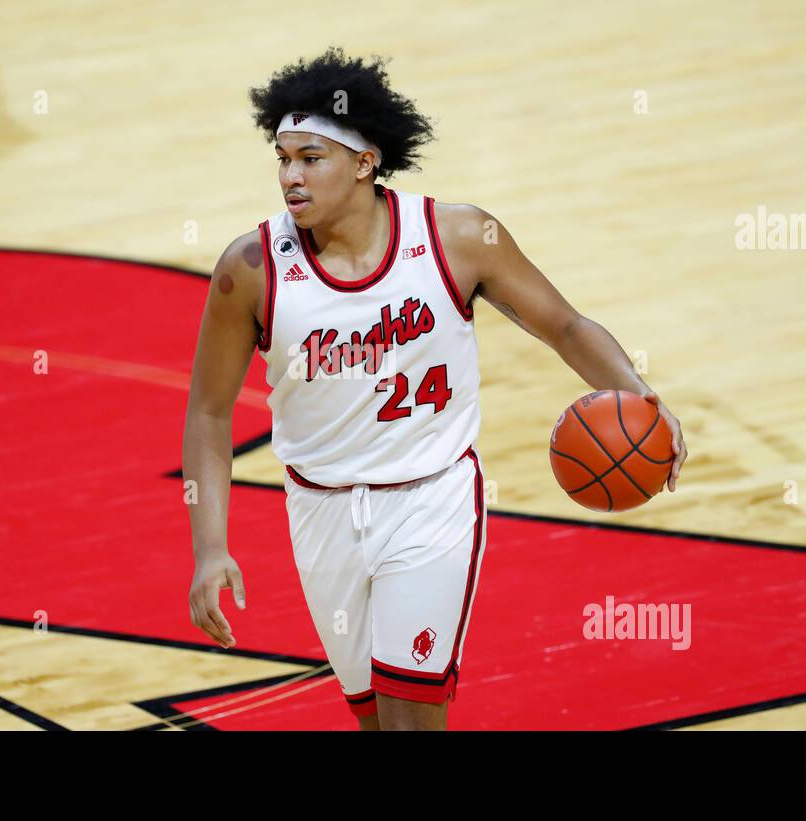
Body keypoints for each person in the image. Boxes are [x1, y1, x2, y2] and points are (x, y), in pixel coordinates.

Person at [183, 48, 687, 730]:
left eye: (311, 158)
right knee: (375, 723)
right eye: (283, 158)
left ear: (365, 162)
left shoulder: (456, 238)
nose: (290, 177)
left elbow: (564, 325)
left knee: (413, 720)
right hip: (320, 508)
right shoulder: (249, 268)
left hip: (430, 501)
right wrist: (211, 548)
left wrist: (638, 394)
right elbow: (210, 412)